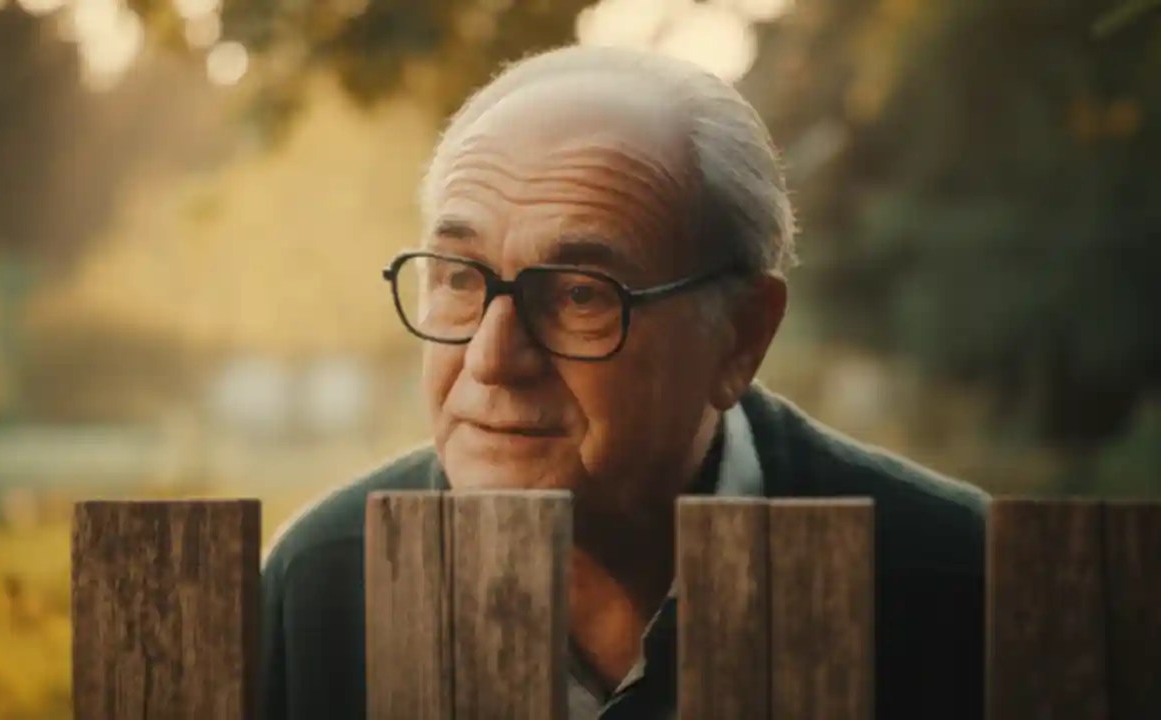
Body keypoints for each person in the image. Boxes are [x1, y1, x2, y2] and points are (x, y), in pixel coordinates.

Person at [260, 45, 987, 720]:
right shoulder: (323, 585)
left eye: (579, 294)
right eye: (458, 278)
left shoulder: (962, 582)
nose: (491, 358)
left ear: (740, 337)